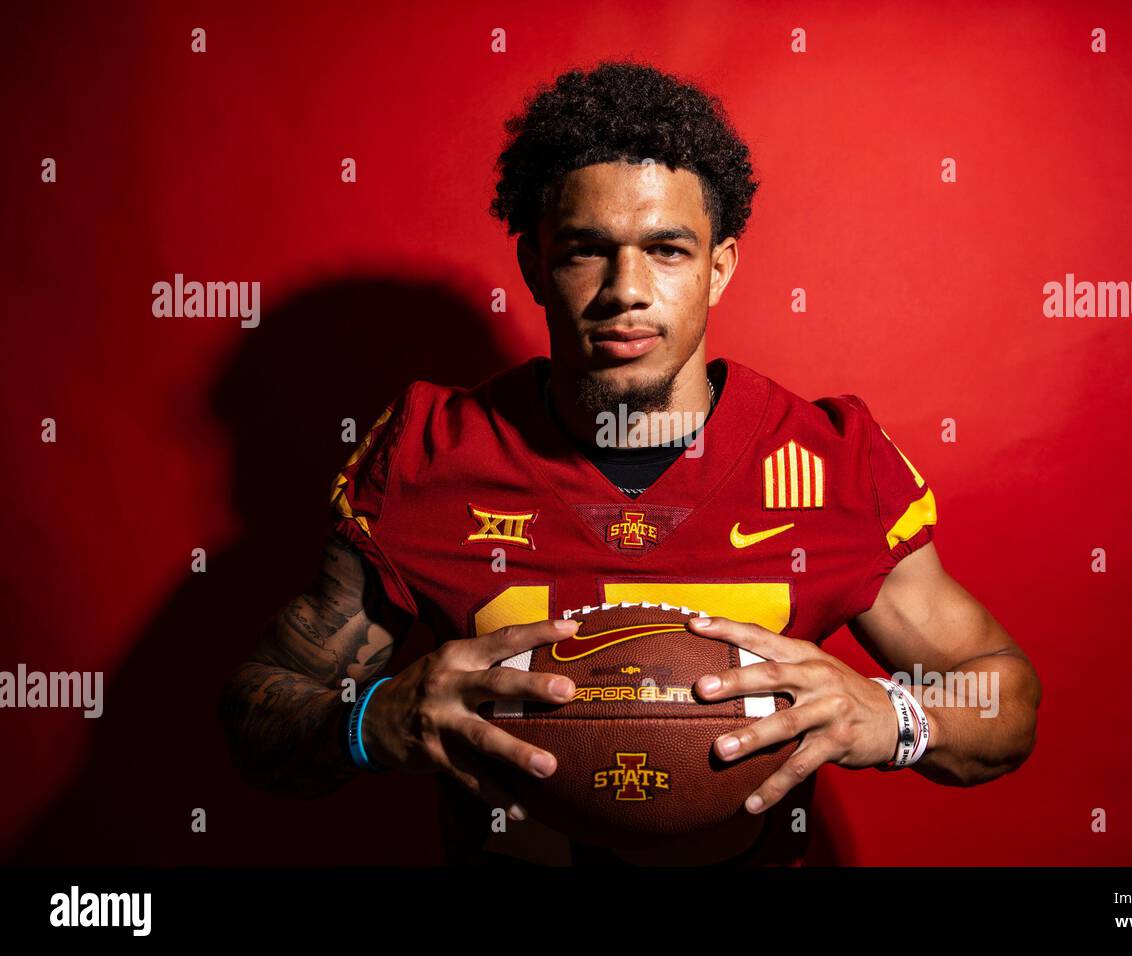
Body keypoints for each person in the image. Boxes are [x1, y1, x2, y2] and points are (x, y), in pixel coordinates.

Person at [218, 59, 1041, 867]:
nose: (627, 289)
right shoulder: (431, 454)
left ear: (720, 268)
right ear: (534, 266)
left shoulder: (829, 459)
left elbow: (1006, 704)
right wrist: (370, 721)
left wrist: (892, 715)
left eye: (668, 250)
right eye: (586, 250)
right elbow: (263, 711)